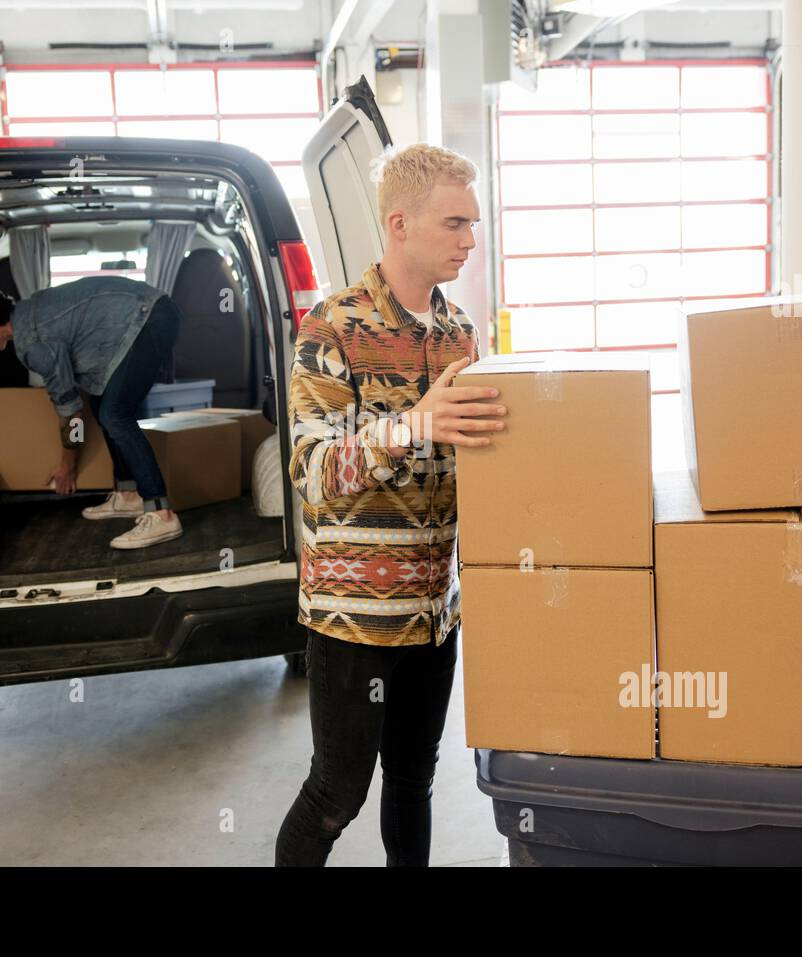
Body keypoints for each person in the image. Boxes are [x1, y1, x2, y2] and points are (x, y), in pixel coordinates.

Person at [274, 144, 508, 866]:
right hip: (356, 619)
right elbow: (312, 473)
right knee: (336, 793)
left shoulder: (461, 334)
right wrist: (412, 424)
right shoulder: (331, 329)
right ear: (400, 223)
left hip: (434, 612)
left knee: (413, 781)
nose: (471, 239)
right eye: (456, 223)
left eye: (474, 223)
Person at [0, 274, 184, 550]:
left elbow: (71, 413)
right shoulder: (28, 313)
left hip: (150, 318)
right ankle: (128, 493)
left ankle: (160, 512)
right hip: (144, 314)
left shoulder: (35, 343)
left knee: (114, 414)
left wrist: (67, 466)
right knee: (101, 402)